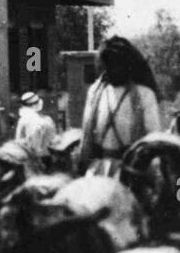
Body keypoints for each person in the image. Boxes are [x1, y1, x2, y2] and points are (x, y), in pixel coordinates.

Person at [77, 36, 162, 177]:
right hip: (98, 170)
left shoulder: (145, 94)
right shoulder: (96, 91)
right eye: (109, 64)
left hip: (131, 171)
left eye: (117, 64)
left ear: (128, 65)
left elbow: (153, 137)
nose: (113, 69)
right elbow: (86, 132)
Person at [15, 91, 57, 165]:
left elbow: (19, 141)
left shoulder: (23, 120)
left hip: (32, 158)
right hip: (45, 157)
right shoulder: (47, 120)